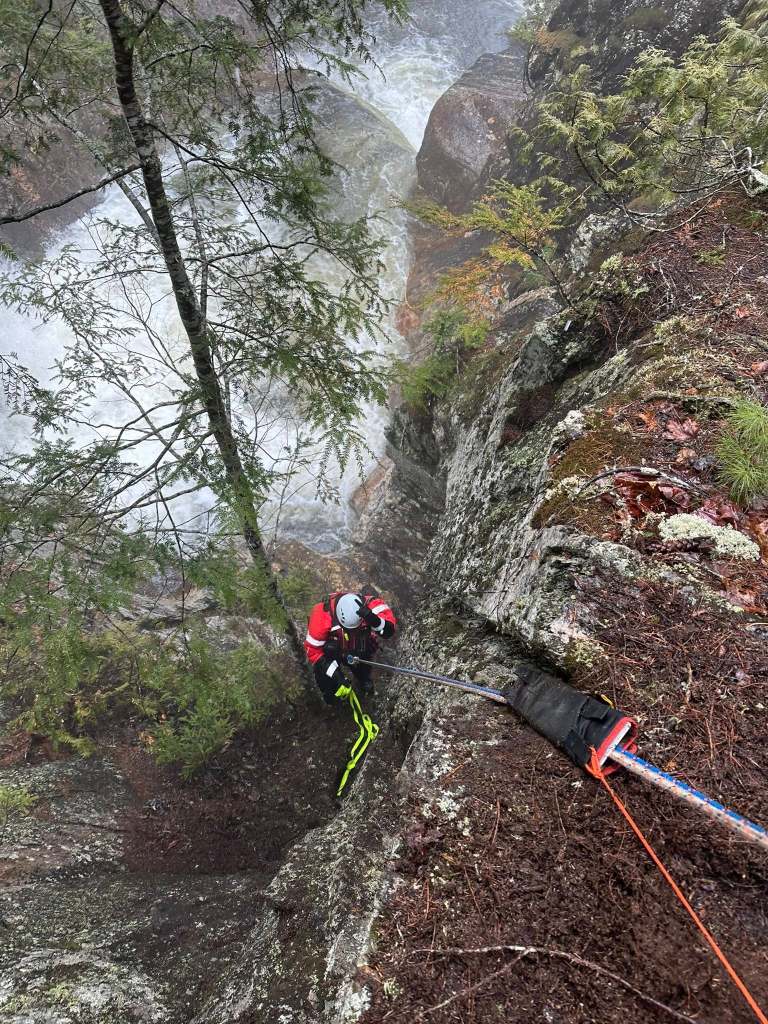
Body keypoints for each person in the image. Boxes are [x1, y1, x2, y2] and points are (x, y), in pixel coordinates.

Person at [304, 590, 396, 704]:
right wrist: (336, 675)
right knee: (325, 670)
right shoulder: (321, 617)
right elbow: (314, 653)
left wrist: (375, 621)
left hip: (357, 645)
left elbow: (389, 631)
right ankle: (332, 698)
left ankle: (363, 680)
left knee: (364, 653)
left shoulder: (372, 605)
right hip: (333, 649)